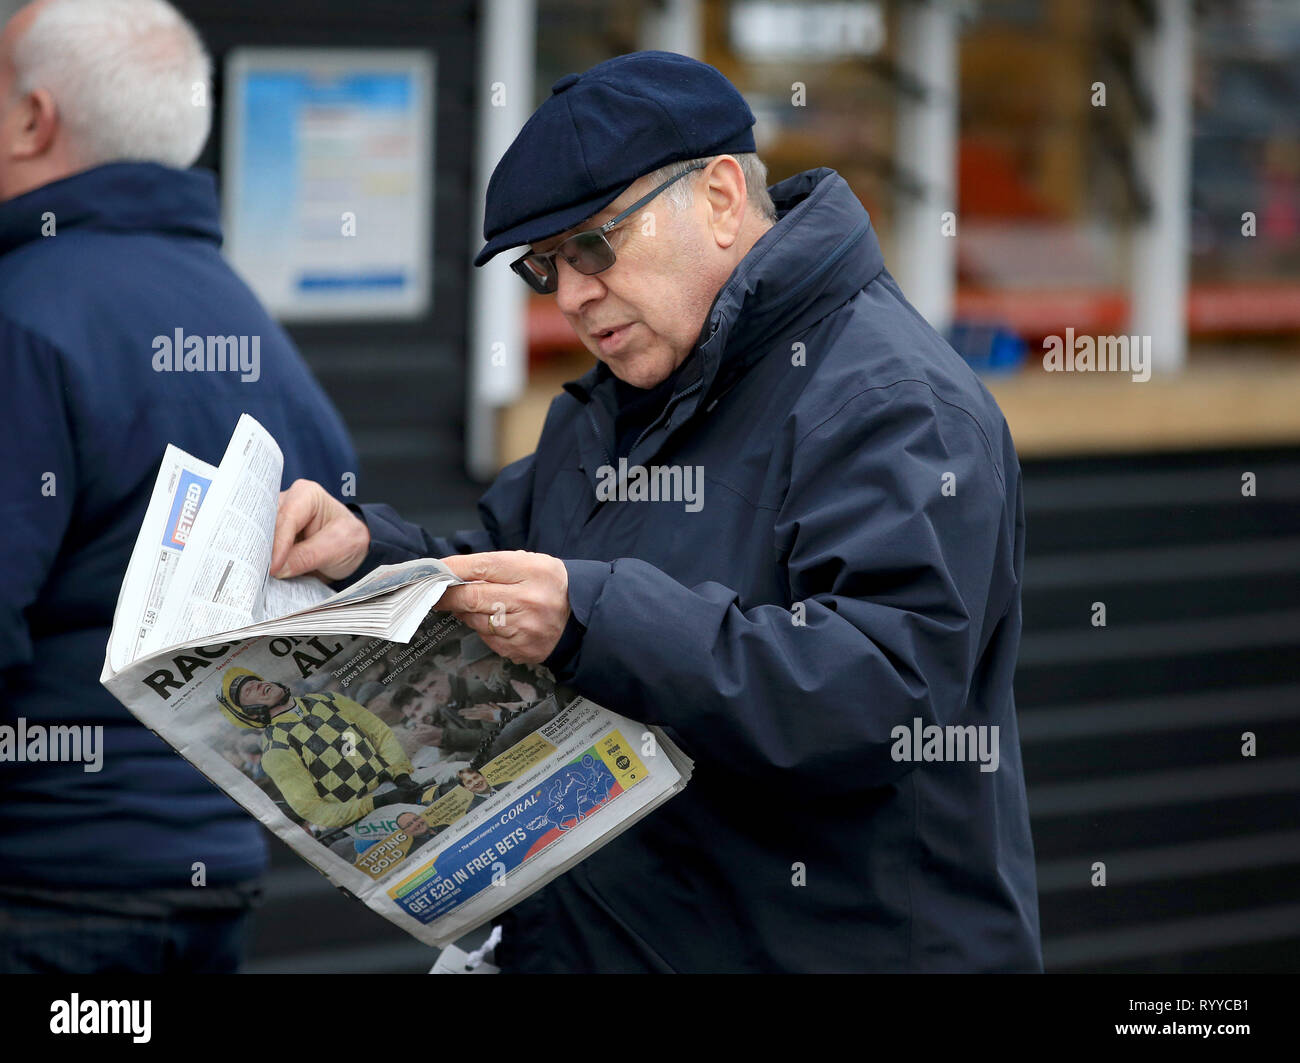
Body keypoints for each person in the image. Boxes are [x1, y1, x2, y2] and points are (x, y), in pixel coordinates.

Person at [271, 51, 1042, 972]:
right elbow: (516, 574)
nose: (573, 296)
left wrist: (592, 618)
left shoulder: (892, 399)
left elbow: (884, 690)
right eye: (543, 269)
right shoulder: (624, 396)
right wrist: (369, 554)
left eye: (594, 245)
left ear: (720, 198)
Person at [0, 0, 357, 973]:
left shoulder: (25, 315)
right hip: (210, 873)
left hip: (43, 884)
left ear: (33, 119)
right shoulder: (246, 322)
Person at [216, 670, 423, 830]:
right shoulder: (275, 752)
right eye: (249, 691)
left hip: (397, 782)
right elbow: (311, 809)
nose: (259, 686)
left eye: (256, 681)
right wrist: (376, 803)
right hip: (362, 816)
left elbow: (380, 734)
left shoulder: (329, 700)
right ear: (250, 713)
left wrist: (401, 774)